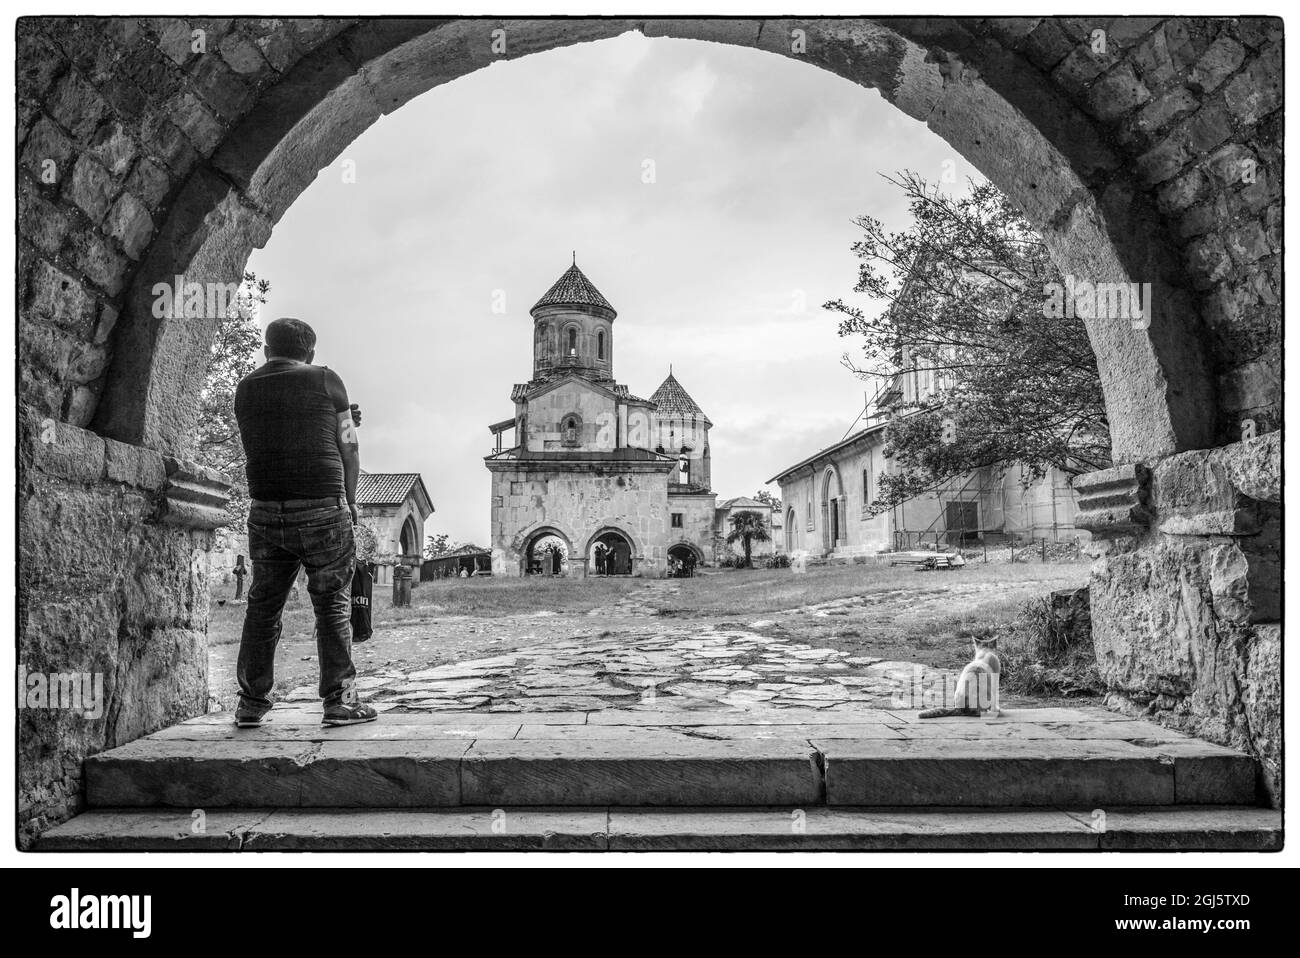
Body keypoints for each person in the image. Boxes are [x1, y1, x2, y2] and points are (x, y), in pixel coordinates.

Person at [232, 317, 378, 728]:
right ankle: (340, 701)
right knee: (332, 605)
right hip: (322, 509)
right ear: (310, 352)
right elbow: (348, 446)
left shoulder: (246, 388)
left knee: (262, 607)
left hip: (265, 510)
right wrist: (350, 503)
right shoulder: (327, 380)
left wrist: (333, 416)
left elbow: (280, 428)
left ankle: (251, 703)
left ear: (266, 350)